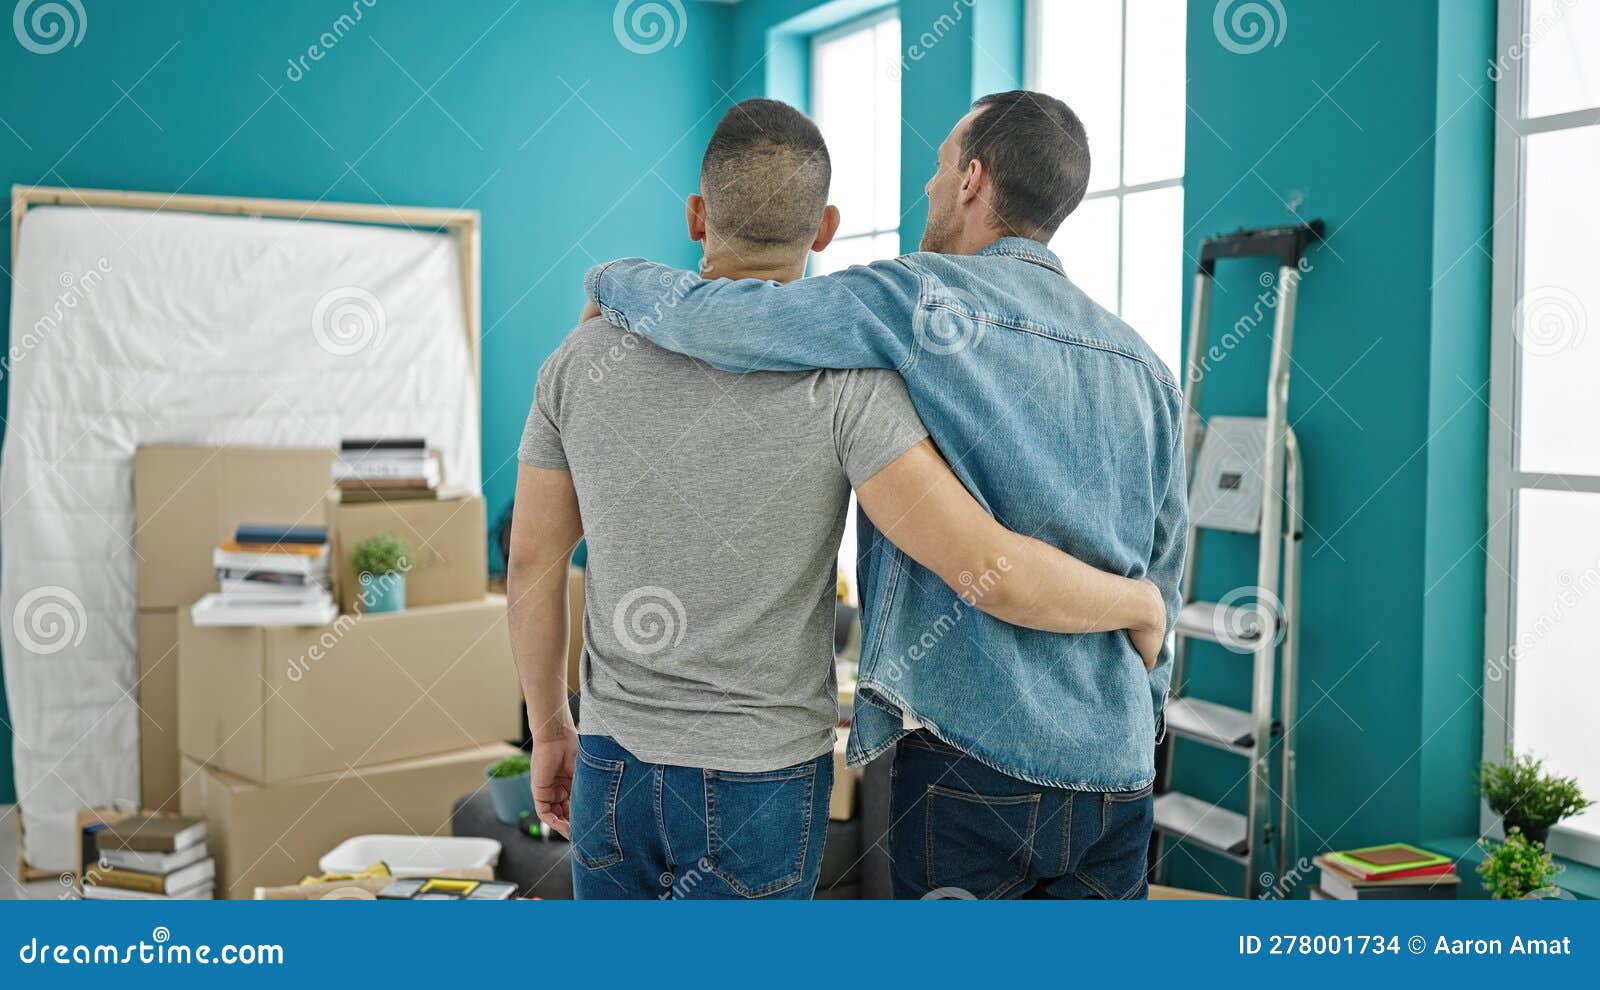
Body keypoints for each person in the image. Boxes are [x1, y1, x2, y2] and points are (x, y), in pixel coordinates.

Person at [507, 98, 1167, 900]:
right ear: (823, 228)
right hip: (786, 776)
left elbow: (535, 562)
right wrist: (1141, 609)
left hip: (621, 761)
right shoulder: (867, 384)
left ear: (695, 215)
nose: (927, 187)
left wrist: (550, 726)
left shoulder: (583, 359)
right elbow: (1000, 563)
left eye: (936, 166)